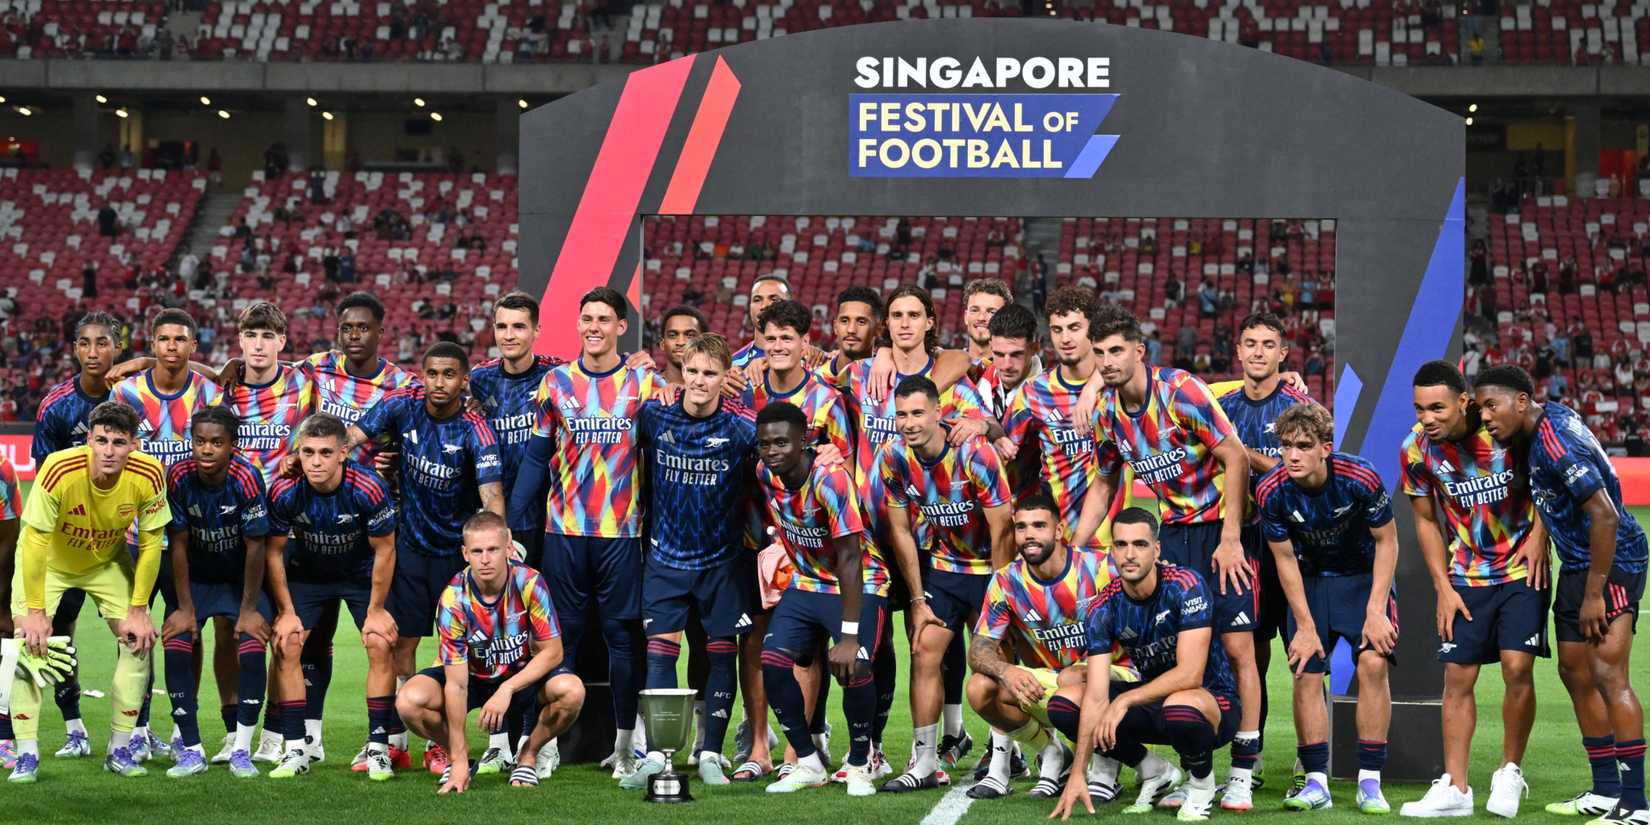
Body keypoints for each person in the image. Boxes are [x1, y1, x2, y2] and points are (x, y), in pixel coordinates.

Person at [1072, 303, 1259, 812]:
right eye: (1099, 353)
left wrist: (1231, 536)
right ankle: (1194, 768)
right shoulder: (1107, 413)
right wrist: (1080, 544)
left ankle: (1244, 770)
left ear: (1139, 351)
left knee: (1238, 648)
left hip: (1221, 529)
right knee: (1179, 656)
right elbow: (1105, 480)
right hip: (1172, 535)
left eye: (1116, 351)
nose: (1107, 361)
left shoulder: (1180, 392)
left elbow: (1234, 456)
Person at [1474, 365, 1647, 825]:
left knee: (1608, 674)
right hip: (1576, 561)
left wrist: (1595, 594)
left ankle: (1636, 804)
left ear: (1521, 401)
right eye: (1480, 408)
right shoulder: (1531, 428)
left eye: (1492, 406)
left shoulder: (1556, 442)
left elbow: (1605, 515)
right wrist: (1542, 534)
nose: (1485, 417)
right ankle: (1606, 790)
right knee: (1574, 670)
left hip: (1612, 561)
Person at [510, 286, 663, 779]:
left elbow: (664, 454)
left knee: (622, 638)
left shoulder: (645, 384)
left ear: (622, 327)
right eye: (587, 318)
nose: (594, 327)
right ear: (577, 325)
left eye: (604, 319)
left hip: (622, 534)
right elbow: (536, 459)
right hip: (564, 532)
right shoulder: (555, 383)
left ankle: (625, 745)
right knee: (561, 638)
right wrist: (512, 523)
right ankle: (544, 745)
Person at [1398, 360, 1548, 818]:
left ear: (1463, 401)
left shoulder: (1504, 429)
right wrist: (1442, 587)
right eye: (1420, 409)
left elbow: (1548, 482)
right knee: (1458, 677)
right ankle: (1456, 788)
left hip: (1522, 569)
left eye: (1437, 408)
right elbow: (1426, 521)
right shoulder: (1416, 449)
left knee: (1517, 668)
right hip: (1465, 575)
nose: (1428, 418)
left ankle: (1509, 771)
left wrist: (1540, 537)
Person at [345, 342, 504, 774]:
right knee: (402, 642)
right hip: (411, 548)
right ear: (423, 374)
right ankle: (396, 741)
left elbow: (491, 496)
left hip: (456, 557)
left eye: (449, 374)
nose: (439, 382)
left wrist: (497, 545)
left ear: (464, 381)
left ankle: (439, 742)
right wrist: (308, 457)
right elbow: (350, 439)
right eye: (432, 373)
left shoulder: (475, 429)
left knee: (451, 648)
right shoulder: (403, 404)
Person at [4, 402, 169, 783]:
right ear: (89, 440)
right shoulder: (59, 468)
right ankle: (27, 754)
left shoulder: (148, 473)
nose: (109, 451)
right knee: (28, 643)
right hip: (49, 563)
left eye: (119, 442)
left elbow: (151, 542)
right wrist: (35, 611)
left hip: (106, 562)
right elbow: (34, 541)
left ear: (134, 445)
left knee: (138, 641)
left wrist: (139, 608)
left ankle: (119, 750)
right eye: (101, 441)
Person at [621, 333, 756, 789]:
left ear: (724, 377)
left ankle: (711, 753)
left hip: (722, 563)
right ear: (682, 371)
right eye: (692, 371)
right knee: (660, 655)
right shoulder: (654, 415)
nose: (699, 381)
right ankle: (657, 756)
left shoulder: (741, 426)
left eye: (710, 373)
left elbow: (785, 451)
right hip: (665, 560)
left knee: (720, 655)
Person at [1051, 508, 1240, 823]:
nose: (1130, 554)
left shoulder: (1185, 585)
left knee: (1179, 704)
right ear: (1112, 551)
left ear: (1157, 549)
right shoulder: (1104, 606)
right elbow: (1096, 696)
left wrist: (1124, 700)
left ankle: (1201, 785)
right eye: (1121, 545)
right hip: (1154, 703)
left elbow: (1190, 674)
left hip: (1210, 704)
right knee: (1066, 703)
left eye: (1139, 544)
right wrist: (1078, 774)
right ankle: (1152, 770)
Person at [1256, 403, 1398, 814]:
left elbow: (1387, 541)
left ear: (1325, 448)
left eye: (1303, 446)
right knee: (1306, 670)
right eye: (1286, 446)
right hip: (1311, 583)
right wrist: (1304, 625)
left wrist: (1376, 611)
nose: (1292, 455)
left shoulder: (1359, 477)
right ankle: (1316, 781)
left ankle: (1370, 782)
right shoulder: (1271, 490)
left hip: (1363, 580)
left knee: (1373, 664)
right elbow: (1284, 559)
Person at [874, 375, 1012, 793]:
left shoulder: (975, 453)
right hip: (945, 567)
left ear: (939, 412)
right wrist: (917, 598)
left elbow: (1003, 528)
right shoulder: (894, 457)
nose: (909, 423)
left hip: (990, 568)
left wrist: (1001, 592)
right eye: (901, 415)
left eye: (918, 413)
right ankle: (925, 761)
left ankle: (1003, 764)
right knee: (923, 651)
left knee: (993, 660)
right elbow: (901, 530)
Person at [737, 299, 853, 780]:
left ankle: (795, 752)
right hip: (752, 536)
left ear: (806, 343)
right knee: (755, 638)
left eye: (788, 337)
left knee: (804, 646)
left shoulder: (826, 398)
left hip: (809, 545)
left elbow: (844, 467)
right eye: (771, 337)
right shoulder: (743, 392)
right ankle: (758, 746)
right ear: (759, 341)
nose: (779, 345)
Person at [394, 511, 586, 793]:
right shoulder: (453, 598)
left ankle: (528, 755)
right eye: (477, 551)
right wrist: (458, 758)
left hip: (520, 677)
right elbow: (457, 685)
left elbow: (553, 653)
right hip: (472, 677)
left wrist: (507, 689)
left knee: (572, 691)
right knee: (409, 701)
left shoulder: (529, 582)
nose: (485, 559)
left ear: (508, 548)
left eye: (493, 549)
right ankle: (458, 756)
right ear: (465, 554)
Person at [752, 401, 887, 796]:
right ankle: (808, 762)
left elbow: (851, 557)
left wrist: (849, 637)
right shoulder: (763, 472)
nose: (772, 451)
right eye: (765, 444)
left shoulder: (831, 480)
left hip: (859, 582)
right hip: (807, 582)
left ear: (804, 441)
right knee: (772, 662)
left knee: (854, 665)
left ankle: (860, 764)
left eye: (782, 442)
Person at [1210, 311, 1314, 806]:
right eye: (1249, 343)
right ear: (1238, 351)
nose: (1257, 352)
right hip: (1241, 546)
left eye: (1267, 344)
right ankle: (1248, 760)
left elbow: (1300, 473)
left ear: (1282, 353)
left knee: (1303, 656)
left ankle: (1308, 764)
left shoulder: (1299, 407)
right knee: (1247, 655)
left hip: (1292, 546)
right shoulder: (1222, 406)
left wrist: (1237, 452)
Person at [111, 307, 225, 759]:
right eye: (164, 339)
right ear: (152, 343)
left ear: (192, 346)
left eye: (180, 339)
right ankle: (136, 730)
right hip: (133, 537)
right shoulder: (126, 393)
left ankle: (183, 728)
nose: (171, 347)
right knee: (132, 635)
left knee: (187, 632)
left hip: (187, 539)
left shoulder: (210, 394)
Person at [263, 413, 399, 781]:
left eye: (325, 453)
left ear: (343, 453)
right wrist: (286, 611)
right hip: (309, 575)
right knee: (287, 642)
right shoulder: (285, 490)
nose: (316, 462)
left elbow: (385, 549)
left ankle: (379, 748)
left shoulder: (368, 488)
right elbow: (273, 552)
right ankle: (296, 749)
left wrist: (376, 609)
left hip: (360, 576)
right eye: (307, 452)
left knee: (379, 641)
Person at [966, 492, 1126, 800]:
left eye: (1039, 526)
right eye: (1021, 527)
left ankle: (1106, 769)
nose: (1029, 535)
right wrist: (1006, 670)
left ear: (1058, 530)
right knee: (979, 688)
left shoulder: (1101, 567)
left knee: (1076, 676)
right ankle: (1052, 752)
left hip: (1114, 678)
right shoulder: (1006, 581)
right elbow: (978, 649)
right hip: (1055, 684)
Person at [21, 312, 122, 759]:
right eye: (85, 343)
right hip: (70, 537)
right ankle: (74, 727)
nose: (93, 352)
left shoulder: (131, 396)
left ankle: (137, 731)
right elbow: (44, 481)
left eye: (103, 343)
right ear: (75, 348)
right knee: (59, 630)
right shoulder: (57, 406)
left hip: (122, 535)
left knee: (134, 630)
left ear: (118, 347)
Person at [159, 407, 273, 779]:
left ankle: (241, 749)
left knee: (252, 647)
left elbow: (256, 546)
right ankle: (191, 750)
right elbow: (177, 543)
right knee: (177, 643)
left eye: (216, 442)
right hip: (196, 579)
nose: (206, 449)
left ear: (232, 445)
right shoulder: (178, 475)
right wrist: (184, 607)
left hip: (239, 581)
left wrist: (249, 609)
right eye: (200, 441)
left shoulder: (246, 478)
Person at [998, 286, 1125, 554]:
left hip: (1110, 541)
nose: (1065, 338)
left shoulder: (1118, 387)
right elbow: (1004, 454)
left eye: (1074, 328)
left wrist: (1092, 388)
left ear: (1093, 330)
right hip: (1054, 540)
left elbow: (1133, 352)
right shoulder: (1035, 392)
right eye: (1057, 330)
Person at [979, 302, 1041, 421]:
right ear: (991, 347)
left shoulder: (1051, 394)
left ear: (1035, 349)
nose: (1006, 365)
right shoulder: (977, 374)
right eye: (999, 354)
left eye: (1016, 355)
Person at [961, 278, 1013, 367]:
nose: (981, 317)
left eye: (991, 312)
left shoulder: (1019, 371)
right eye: (975, 310)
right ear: (966, 317)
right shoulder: (945, 366)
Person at [655, 305, 706, 386]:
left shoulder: (718, 389)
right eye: (672, 335)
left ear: (704, 343)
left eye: (690, 335)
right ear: (662, 344)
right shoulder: (646, 386)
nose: (681, 342)